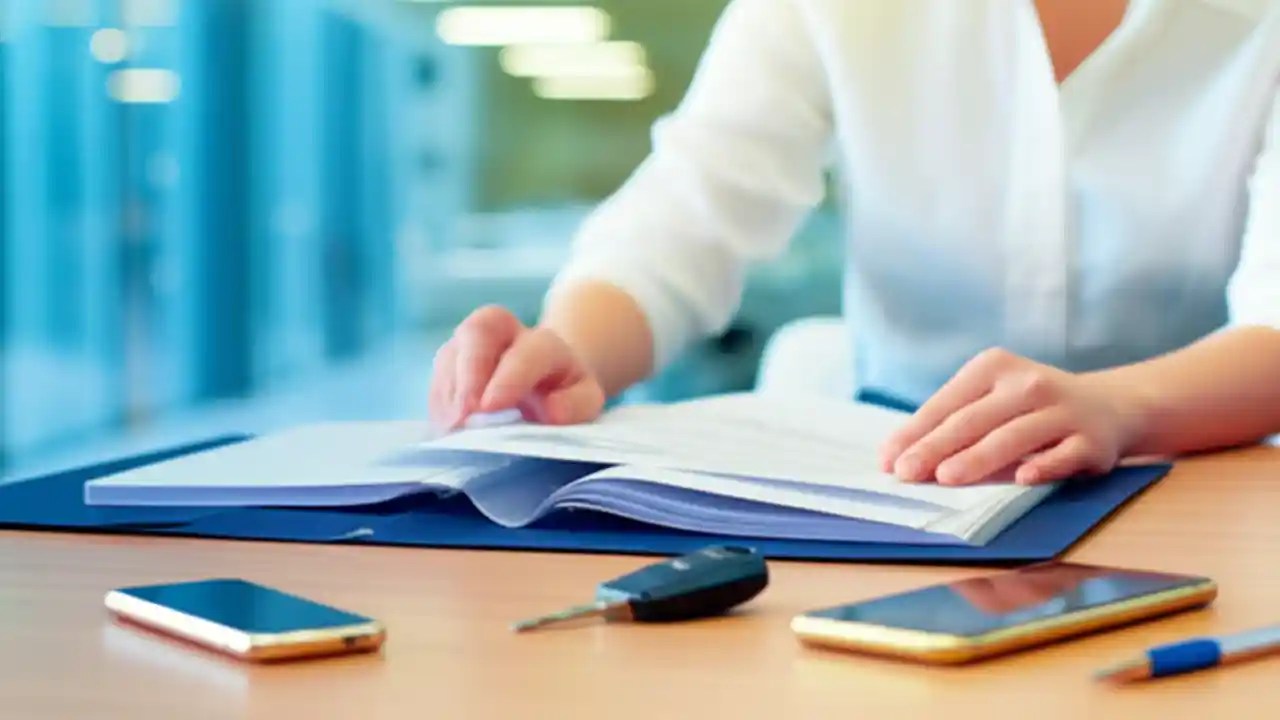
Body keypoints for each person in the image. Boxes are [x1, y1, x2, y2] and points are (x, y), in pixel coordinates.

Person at [429, 0, 1280, 486]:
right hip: (899, 484)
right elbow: (690, 209)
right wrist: (570, 348)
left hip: (1197, 475)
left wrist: (1122, 407)